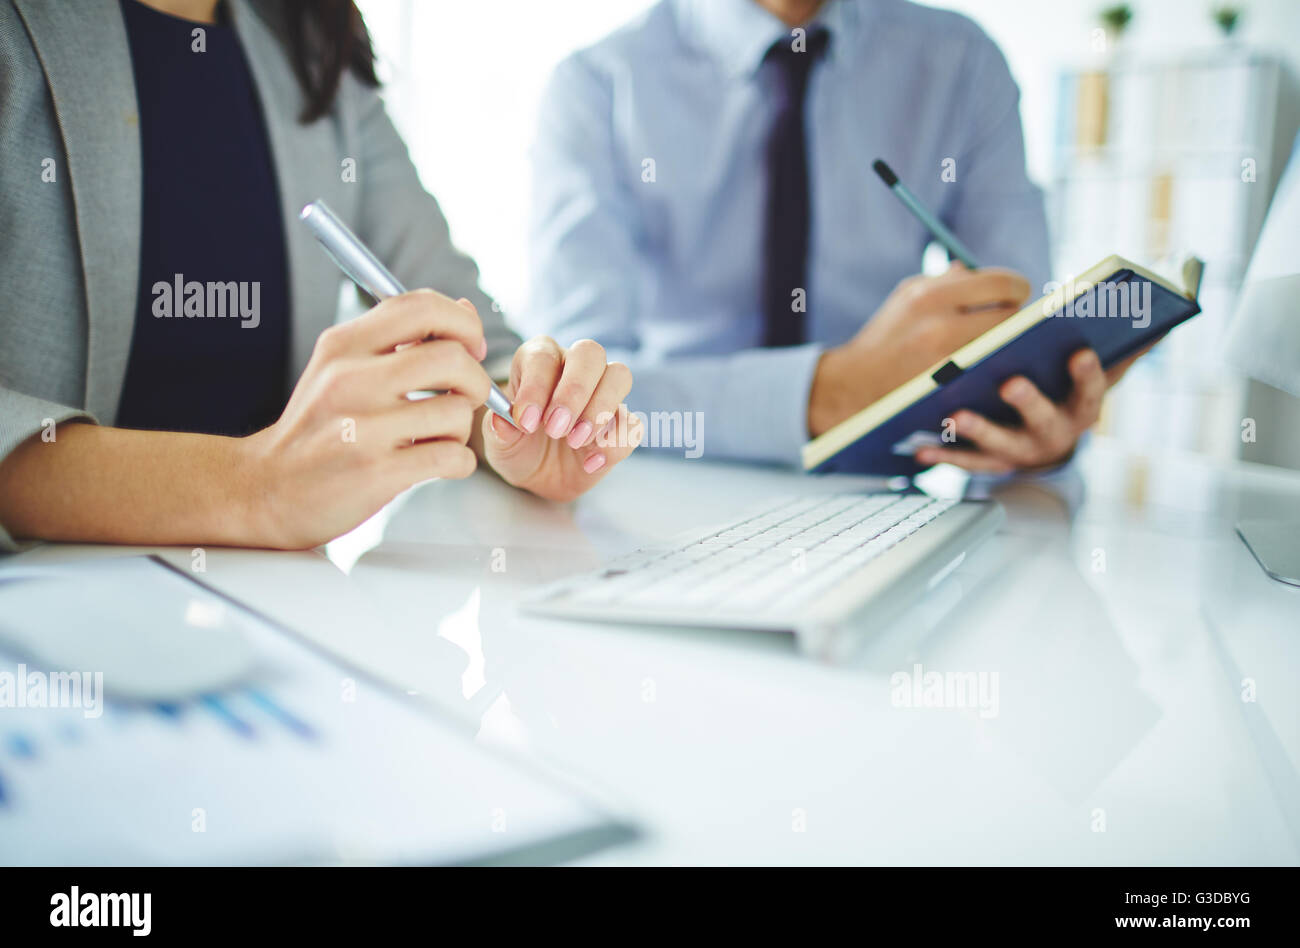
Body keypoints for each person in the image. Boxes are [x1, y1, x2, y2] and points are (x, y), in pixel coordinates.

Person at [0, 0, 640, 553]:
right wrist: (253, 486)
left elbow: (472, 333)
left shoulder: (313, 49)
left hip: (273, 604)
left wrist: (523, 420)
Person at [528, 0, 1143, 473]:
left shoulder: (962, 65)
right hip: (663, 482)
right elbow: (575, 394)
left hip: (891, 495)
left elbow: (1015, 327)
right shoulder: (597, 87)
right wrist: (828, 390)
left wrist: (1037, 421)